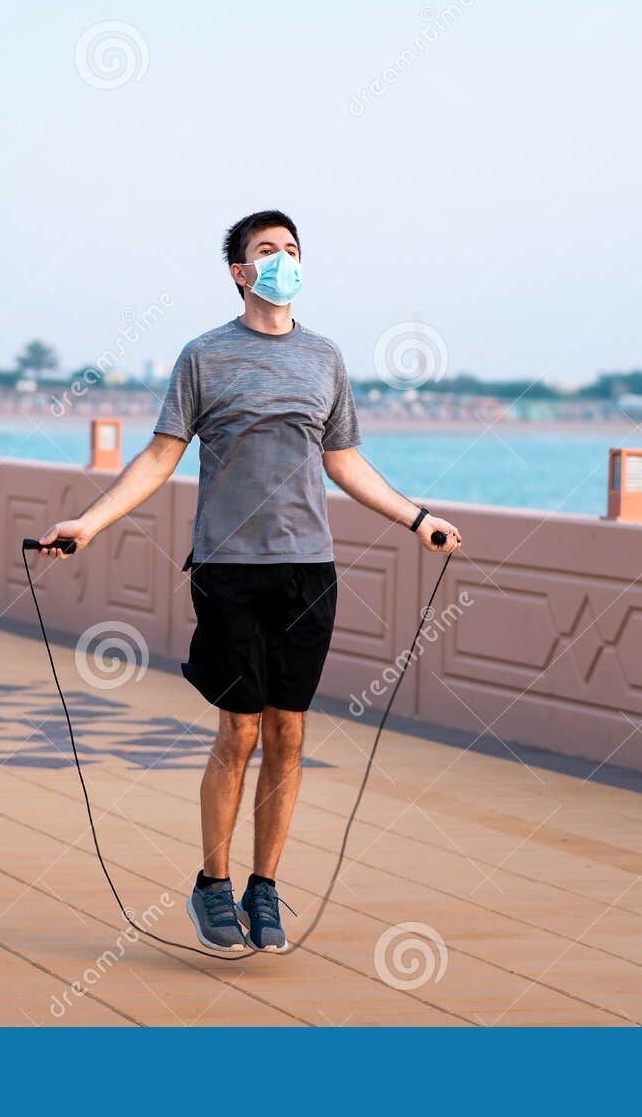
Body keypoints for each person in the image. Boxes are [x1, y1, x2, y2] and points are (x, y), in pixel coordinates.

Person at [37, 209, 460, 952]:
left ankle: (264, 888)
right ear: (240, 272)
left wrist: (416, 517)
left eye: (291, 249)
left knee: (288, 733)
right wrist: (90, 523)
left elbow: (342, 460)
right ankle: (213, 883)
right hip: (228, 569)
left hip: (307, 571)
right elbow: (161, 457)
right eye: (267, 250)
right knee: (238, 729)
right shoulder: (204, 356)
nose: (283, 259)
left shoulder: (324, 358)